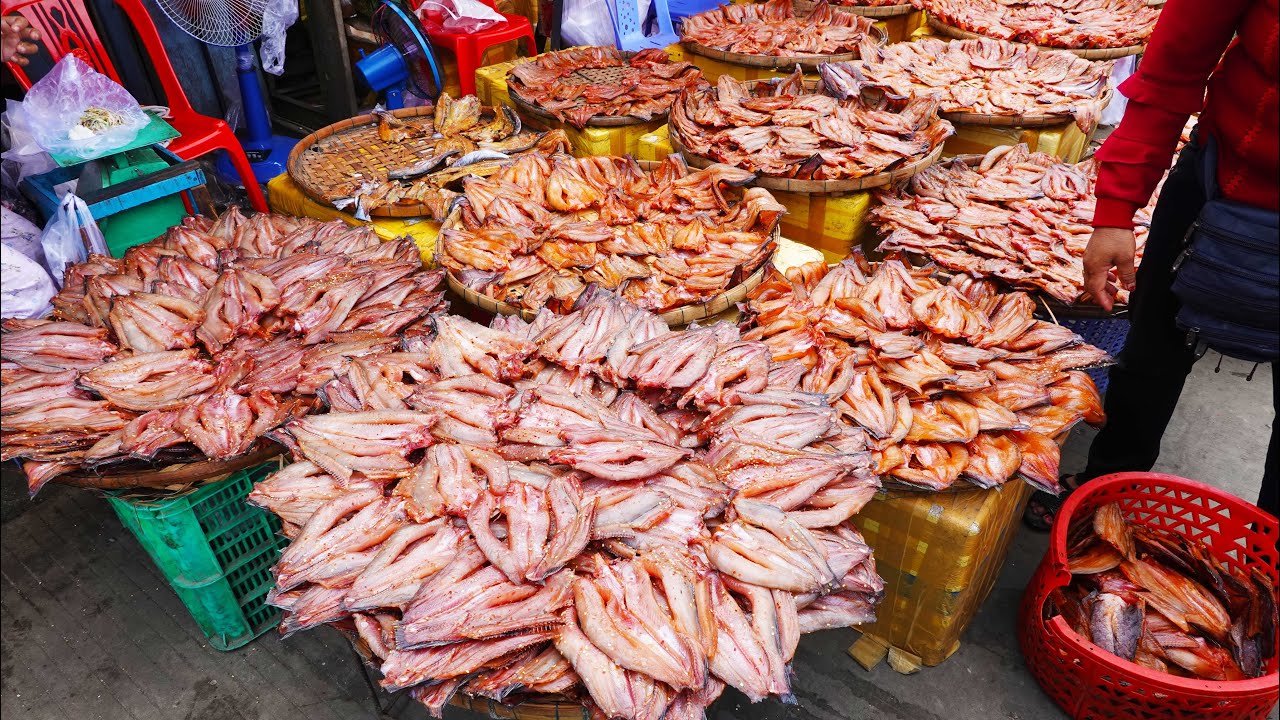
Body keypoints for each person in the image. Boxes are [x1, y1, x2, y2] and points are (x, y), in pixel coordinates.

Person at [1023, 0, 1279, 530]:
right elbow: (1168, 75)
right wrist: (1115, 211)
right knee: (1153, 343)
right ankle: (1105, 482)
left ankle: (1268, 554)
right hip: (1219, 180)